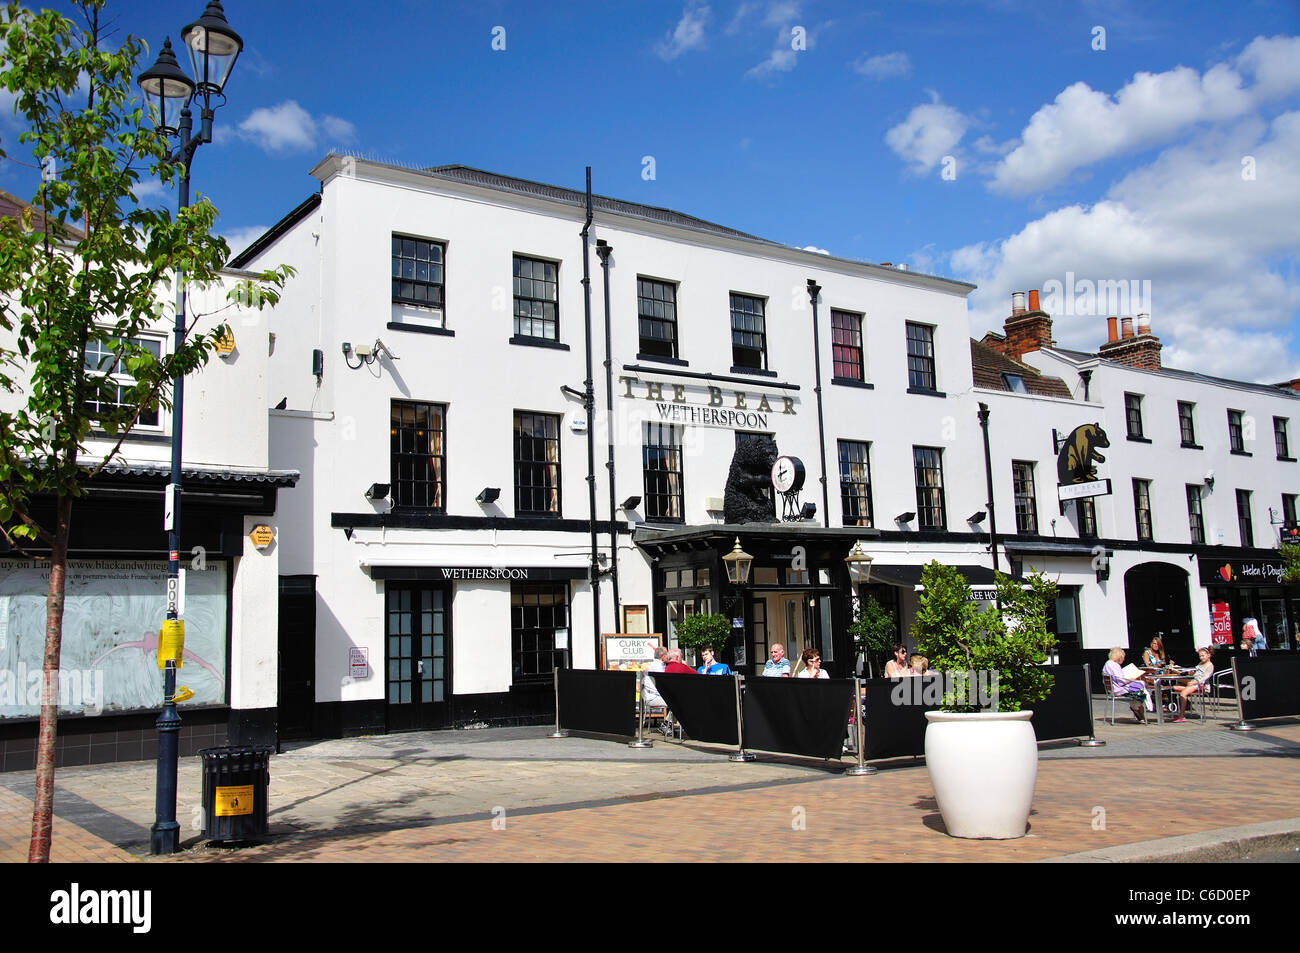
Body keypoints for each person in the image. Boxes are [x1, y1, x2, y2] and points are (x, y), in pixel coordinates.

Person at [1103, 647, 1148, 723]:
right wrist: (1132, 678)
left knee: (1140, 686)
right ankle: (1136, 706)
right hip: (1119, 689)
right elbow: (1121, 681)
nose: (1123, 660)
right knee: (1143, 687)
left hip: (1112, 689)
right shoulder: (1115, 665)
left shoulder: (1107, 664)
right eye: (1123, 657)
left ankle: (1136, 706)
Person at [1172, 647, 1214, 723]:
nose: (1201, 657)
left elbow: (1205, 677)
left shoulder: (1210, 665)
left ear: (1208, 655)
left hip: (1200, 685)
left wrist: (1195, 682)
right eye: (1200, 656)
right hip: (1193, 681)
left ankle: (1181, 716)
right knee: (1175, 687)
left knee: (1183, 693)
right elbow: (1196, 673)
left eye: (1203, 655)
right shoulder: (1200, 663)